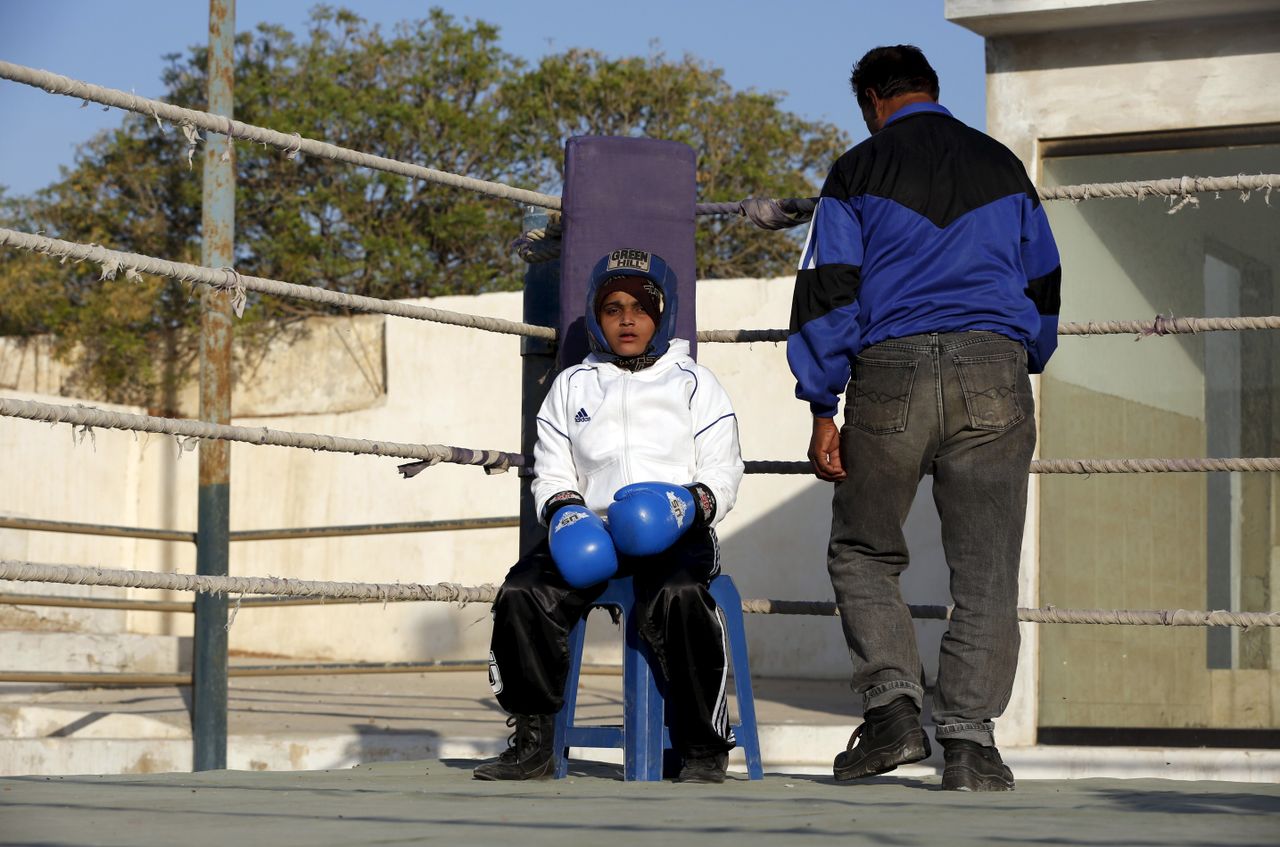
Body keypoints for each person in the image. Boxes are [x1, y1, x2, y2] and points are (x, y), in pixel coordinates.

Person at [787, 45, 1061, 792]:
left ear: (874, 98)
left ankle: (892, 713)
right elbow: (1044, 281)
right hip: (993, 368)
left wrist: (821, 403)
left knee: (864, 549)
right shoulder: (1002, 165)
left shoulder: (857, 168)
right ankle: (970, 747)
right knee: (986, 569)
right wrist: (1021, 357)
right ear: (934, 91)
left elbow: (829, 288)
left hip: (891, 370)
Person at [474, 247, 745, 784]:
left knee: (682, 597)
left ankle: (702, 748)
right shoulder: (572, 384)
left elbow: (725, 470)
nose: (627, 319)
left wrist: (687, 504)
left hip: (673, 530)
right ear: (597, 316)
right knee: (524, 589)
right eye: (613, 307)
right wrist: (566, 513)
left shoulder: (693, 383)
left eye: (640, 308)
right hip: (594, 531)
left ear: (660, 315)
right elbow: (551, 471)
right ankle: (533, 738)